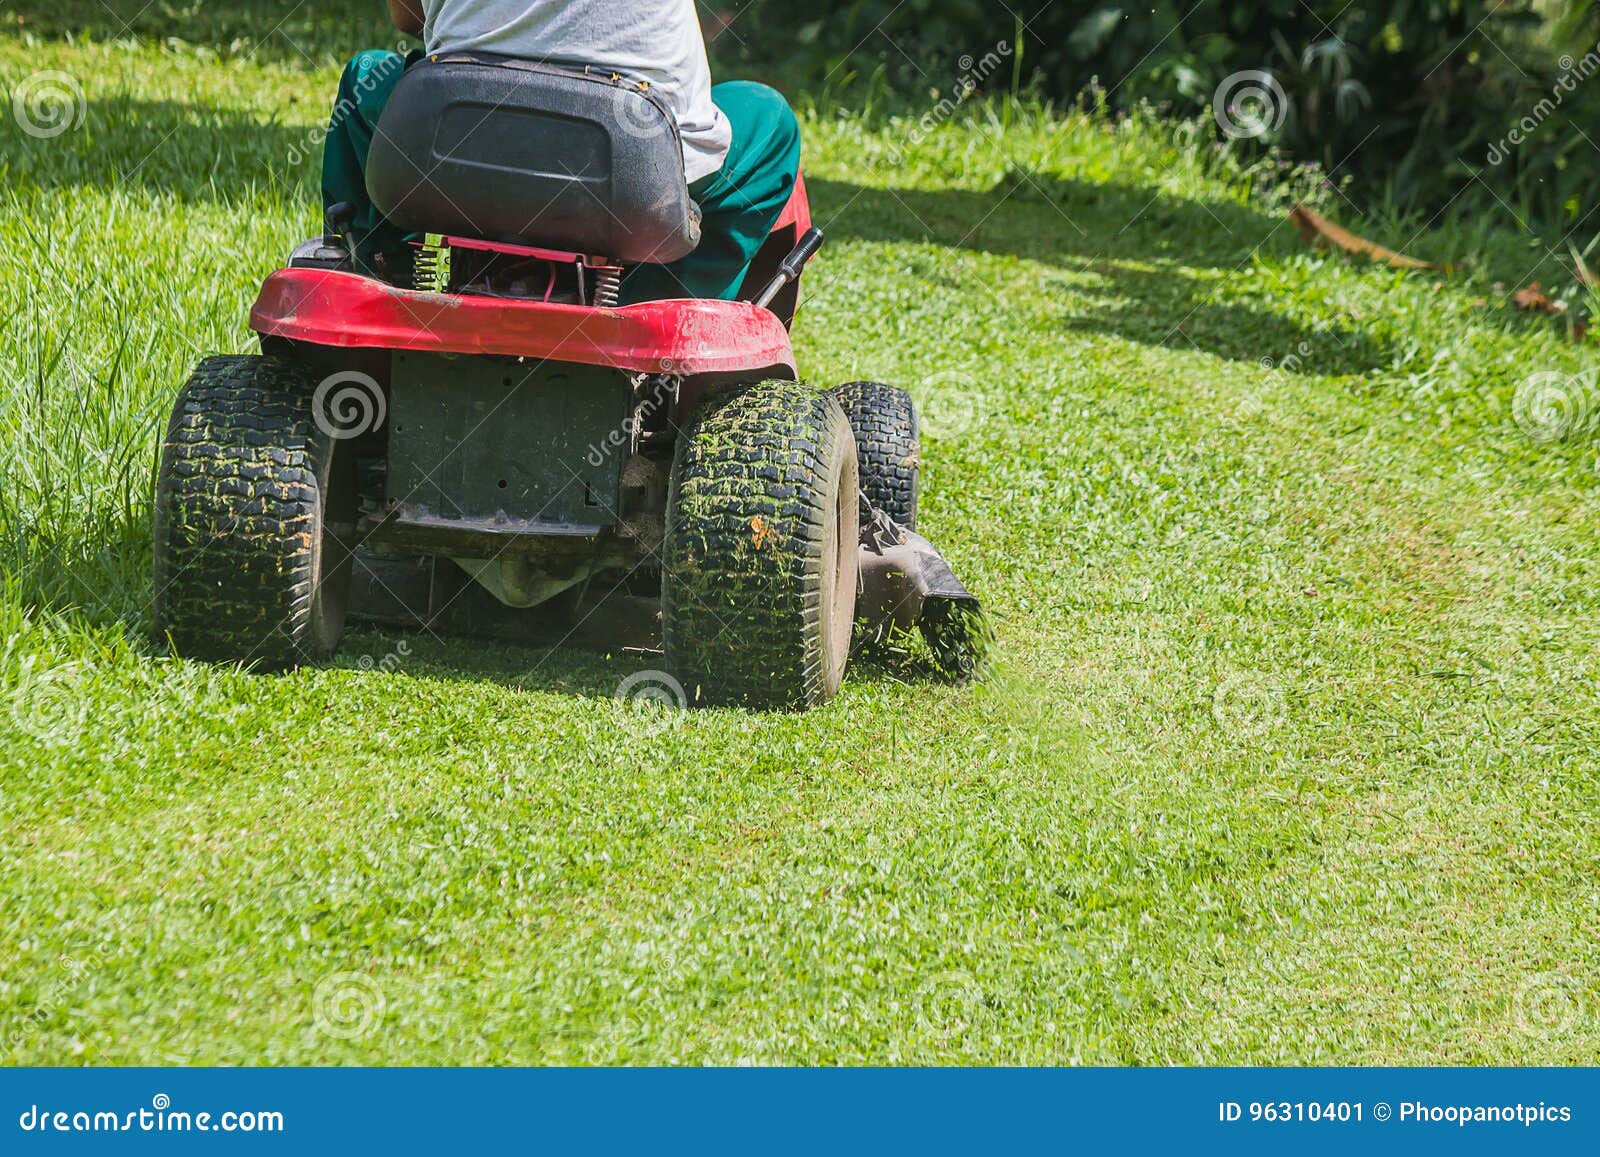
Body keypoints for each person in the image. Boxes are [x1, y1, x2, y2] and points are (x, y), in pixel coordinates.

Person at [320, 0, 801, 302]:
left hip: (453, 154)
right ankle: (657, 311)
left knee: (368, 75)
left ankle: (387, 283)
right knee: (769, 119)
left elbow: (407, 16)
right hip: (633, 167)